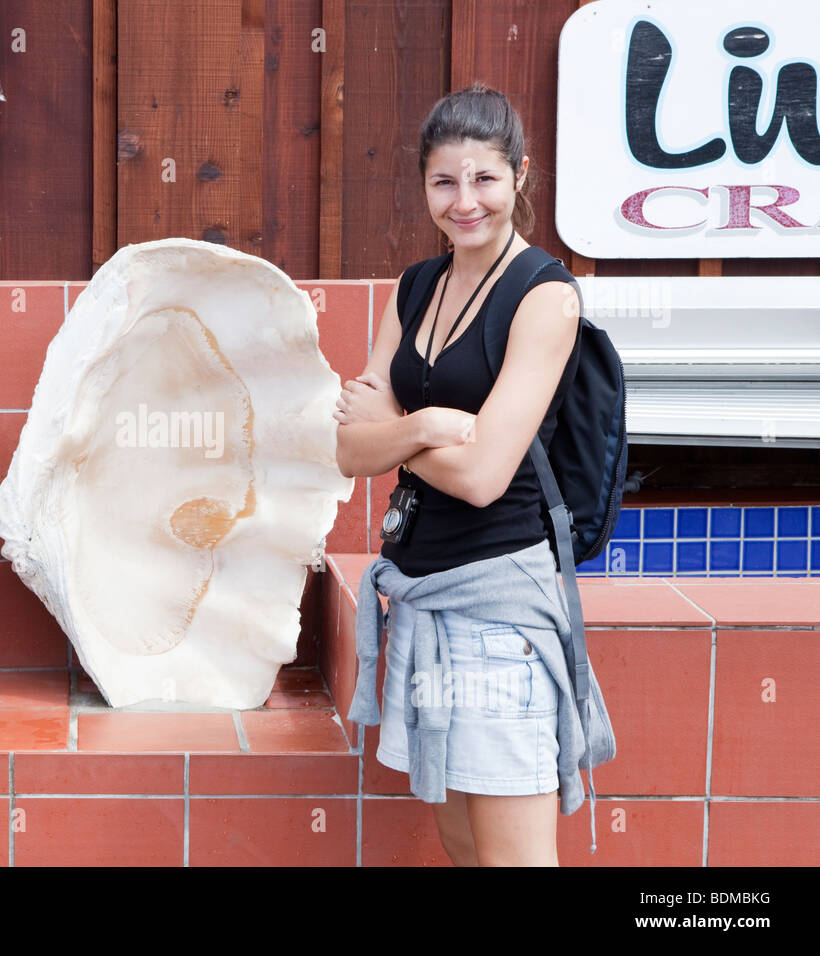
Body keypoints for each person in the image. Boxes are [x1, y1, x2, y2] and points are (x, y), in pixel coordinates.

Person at [334, 83, 611, 866]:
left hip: (499, 617)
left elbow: (487, 475)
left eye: (485, 179)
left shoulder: (544, 296)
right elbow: (348, 453)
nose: (465, 202)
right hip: (426, 606)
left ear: (519, 176)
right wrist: (422, 427)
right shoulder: (416, 287)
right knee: (461, 847)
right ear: (424, 184)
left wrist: (389, 435)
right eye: (444, 182)